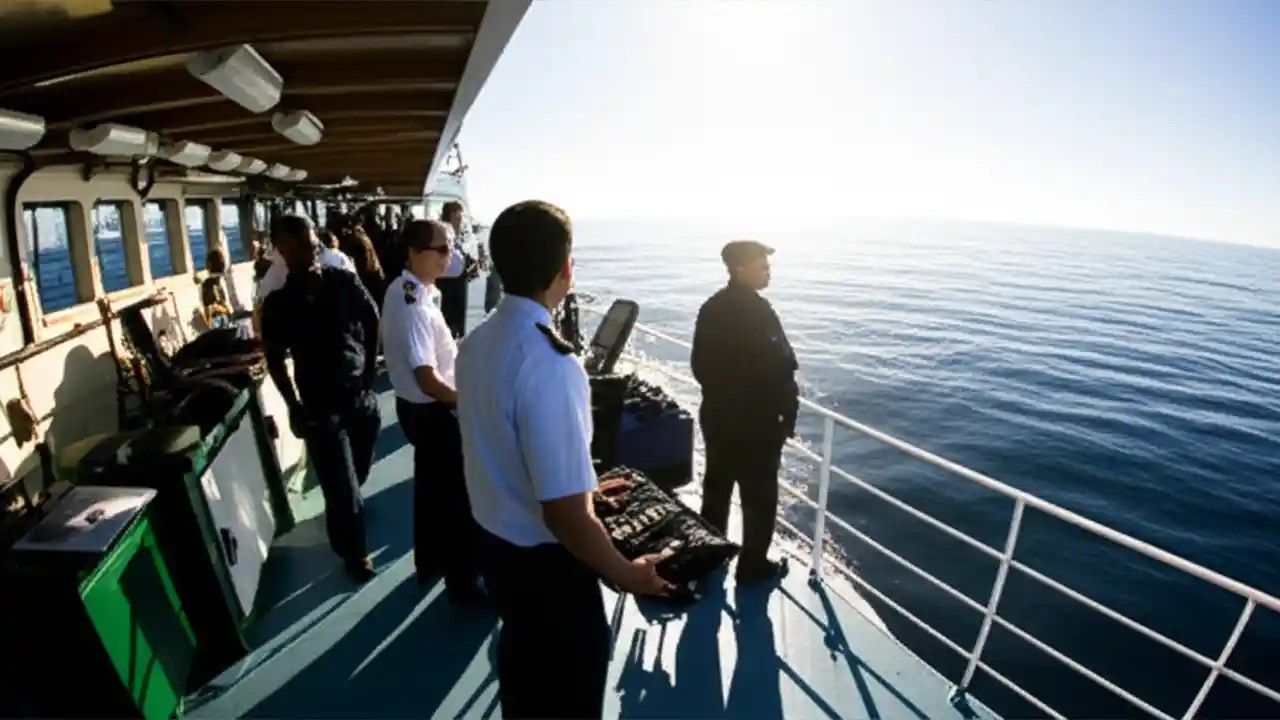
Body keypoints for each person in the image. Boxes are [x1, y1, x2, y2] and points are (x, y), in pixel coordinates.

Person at [456, 200, 670, 719]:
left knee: (524, 673)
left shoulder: (477, 342)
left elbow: (507, 447)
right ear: (566, 267)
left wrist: (586, 486)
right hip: (548, 571)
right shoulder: (552, 363)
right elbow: (563, 516)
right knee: (568, 694)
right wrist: (626, 573)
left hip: (496, 548)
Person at [259, 215, 381, 582]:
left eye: (311, 241)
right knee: (342, 487)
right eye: (297, 244)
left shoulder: (343, 281)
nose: (309, 249)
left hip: (359, 395)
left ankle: (345, 515)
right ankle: (355, 553)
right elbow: (276, 360)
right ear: (281, 251)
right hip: (319, 405)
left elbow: (372, 318)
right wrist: (293, 406)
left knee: (356, 471)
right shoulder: (278, 303)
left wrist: (371, 370)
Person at [380, 219, 484, 604]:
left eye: (451, 247)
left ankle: (431, 563)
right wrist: (472, 406)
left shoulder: (412, 290)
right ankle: (463, 583)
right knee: (458, 501)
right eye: (441, 249)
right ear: (414, 252)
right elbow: (428, 379)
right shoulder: (412, 306)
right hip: (433, 412)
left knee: (432, 493)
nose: (449, 256)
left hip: (421, 411)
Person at [690, 240, 798, 586]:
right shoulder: (758, 311)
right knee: (760, 496)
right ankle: (753, 567)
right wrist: (782, 412)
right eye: (761, 264)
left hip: (719, 416)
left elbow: (700, 367)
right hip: (756, 423)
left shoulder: (711, 308)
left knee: (717, 487)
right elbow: (781, 367)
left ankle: (710, 554)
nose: (768, 270)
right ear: (740, 268)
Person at [435, 200, 477, 338]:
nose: (460, 223)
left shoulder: (456, 241)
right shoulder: (441, 240)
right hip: (447, 301)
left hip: (457, 301)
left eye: (461, 219)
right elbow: (445, 269)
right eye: (457, 218)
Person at [200, 248, 232, 329]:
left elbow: (207, 309)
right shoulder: (229, 279)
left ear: (209, 265)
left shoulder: (207, 283)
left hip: (220, 324)